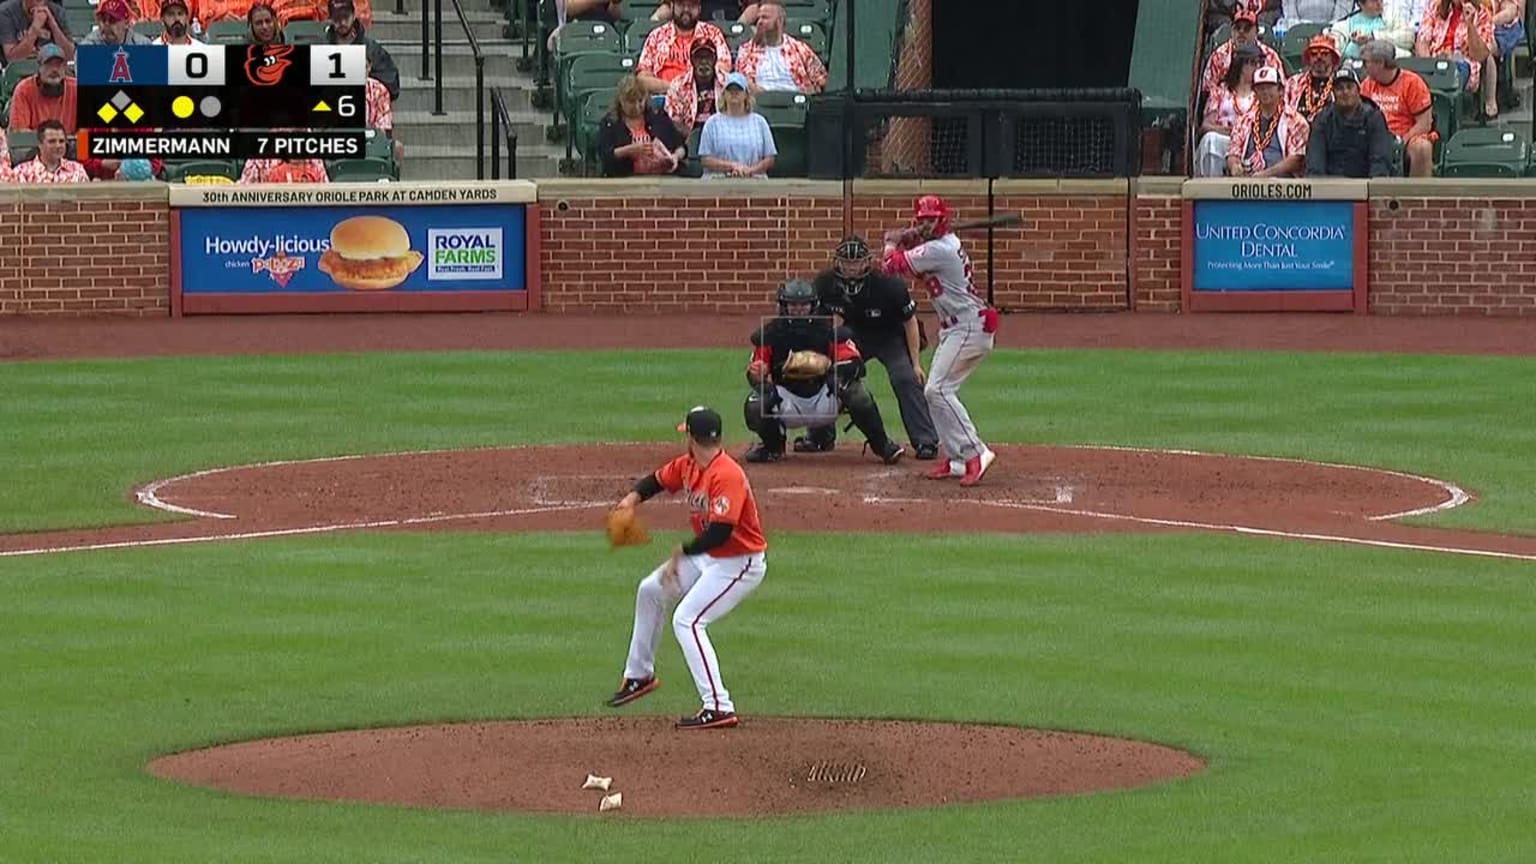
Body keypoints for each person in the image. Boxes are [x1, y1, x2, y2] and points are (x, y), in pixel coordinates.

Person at [605, 405, 767, 731]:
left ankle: (719, 706)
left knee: (688, 621)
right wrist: (631, 500)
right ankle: (639, 675)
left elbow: (721, 531)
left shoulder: (727, 474)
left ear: (692, 437)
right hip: (710, 556)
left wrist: (683, 553)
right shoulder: (690, 465)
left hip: (739, 562)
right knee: (650, 589)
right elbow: (657, 480)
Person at [878, 195, 999, 487]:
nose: (925, 225)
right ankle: (957, 459)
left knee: (939, 390)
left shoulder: (941, 249)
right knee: (936, 392)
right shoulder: (940, 245)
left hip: (969, 327)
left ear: (942, 219)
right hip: (957, 328)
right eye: (921, 220)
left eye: (930, 220)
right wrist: (910, 240)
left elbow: (889, 267)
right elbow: (917, 257)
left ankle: (975, 453)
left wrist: (893, 242)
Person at [741, 279, 906, 465]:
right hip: (788, 401)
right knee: (756, 403)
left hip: (823, 399)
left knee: (856, 391)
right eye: (793, 305)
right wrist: (757, 374)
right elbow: (755, 377)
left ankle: (882, 445)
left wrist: (831, 367)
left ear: (814, 306)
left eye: (804, 305)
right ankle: (772, 447)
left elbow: (857, 366)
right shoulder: (768, 336)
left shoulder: (829, 332)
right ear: (783, 306)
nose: (798, 309)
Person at [810, 236, 940, 460]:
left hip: (890, 336)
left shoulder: (888, 284)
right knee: (828, 372)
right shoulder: (825, 283)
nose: (851, 268)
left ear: (866, 262)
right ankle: (820, 436)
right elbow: (818, 322)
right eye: (846, 262)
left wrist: (916, 363)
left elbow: (910, 321)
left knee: (905, 378)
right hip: (854, 334)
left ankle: (925, 440)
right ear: (837, 262)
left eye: (856, 262)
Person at [1359, 38, 1436, 175]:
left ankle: (1417, 195)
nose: (1363, 67)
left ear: (1380, 63)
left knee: (1422, 148)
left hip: (1405, 137)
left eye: (1366, 62)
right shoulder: (1366, 85)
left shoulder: (1412, 83)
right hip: (1375, 138)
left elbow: (1424, 124)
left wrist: (1402, 141)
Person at [1305, 67, 1396, 176]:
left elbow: (1380, 162)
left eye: (1349, 87)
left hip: (1365, 185)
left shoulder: (1374, 118)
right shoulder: (1322, 120)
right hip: (1331, 185)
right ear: (1333, 93)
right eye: (1339, 88)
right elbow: (1315, 162)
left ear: (1358, 90)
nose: (1345, 92)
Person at [1414, 0, 1496, 119]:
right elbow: (1422, 41)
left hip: (1463, 64)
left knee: (1455, 72)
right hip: (1434, 62)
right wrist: (1430, 65)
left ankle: (1446, 116)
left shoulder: (1482, 14)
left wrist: (1470, 25)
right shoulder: (1434, 6)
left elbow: (1480, 55)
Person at [1226, 65, 1310, 177]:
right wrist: (1234, 166)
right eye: (1260, 88)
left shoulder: (1295, 121)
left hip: (1283, 183)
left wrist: (1266, 175)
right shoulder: (1244, 120)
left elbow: (1296, 159)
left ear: (1280, 90)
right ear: (1254, 92)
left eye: (1269, 87)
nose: (1265, 91)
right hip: (1247, 182)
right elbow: (1233, 152)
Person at [597, 74, 688, 177]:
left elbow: (681, 146)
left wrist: (675, 157)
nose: (636, 106)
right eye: (631, 102)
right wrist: (629, 150)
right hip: (626, 179)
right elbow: (605, 157)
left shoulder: (658, 117)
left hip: (663, 177)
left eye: (640, 100)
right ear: (621, 101)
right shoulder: (610, 123)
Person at [635, 0, 731, 95]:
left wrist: (691, 89)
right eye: (681, 5)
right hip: (664, 97)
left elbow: (724, 69)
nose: (686, 9)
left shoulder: (713, 33)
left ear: (699, 8)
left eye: (691, 5)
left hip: (702, 97)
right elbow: (642, 79)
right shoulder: (656, 36)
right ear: (672, 6)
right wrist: (672, 88)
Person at [1195, 43, 1262, 177]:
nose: (1258, 67)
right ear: (1241, 66)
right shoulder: (1221, 91)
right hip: (1225, 138)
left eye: (1260, 63)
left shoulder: (1263, 92)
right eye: (1254, 63)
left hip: (1252, 143)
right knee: (1210, 140)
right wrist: (1226, 131)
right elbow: (1205, 126)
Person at [698, 72, 776, 178]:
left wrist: (750, 170)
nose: (734, 92)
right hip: (717, 180)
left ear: (746, 94)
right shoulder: (712, 123)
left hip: (754, 179)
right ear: (724, 94)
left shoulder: (760, 122)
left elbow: (770, 158)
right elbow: (705, 159)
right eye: (730, 89)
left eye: (738, 89)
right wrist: (732, 166)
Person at [327, 0, 399, 100]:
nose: (342, 22)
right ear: (330, 19)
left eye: (346, 17)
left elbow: (392, 86)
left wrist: (367, 78)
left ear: (353, 16)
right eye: (337, 18)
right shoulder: (320, 47)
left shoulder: (372, 49)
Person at [7, 42, 76, 134]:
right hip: (34, 146)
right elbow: (20, 133)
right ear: (39, 68)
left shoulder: (78, 88)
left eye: (58, 65)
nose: (54, 70)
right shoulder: (23, 90)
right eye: (49, 65)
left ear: (65, 68)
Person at [663, 37, 724, 138]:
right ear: (692, 60)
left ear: (715, 59)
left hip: (722, 137)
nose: (704, 62)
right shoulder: (678, 85)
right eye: (699, 57)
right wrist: (692, 138)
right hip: (688, 138)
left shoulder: (727, 83)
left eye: (708, 57)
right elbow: (673, 120)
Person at [1285, 34, 1342, 122]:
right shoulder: (1294, 82)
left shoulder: (1341, 83)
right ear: (1308, 58)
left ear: (1333, 58)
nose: (1319, 57)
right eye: (1314, 54)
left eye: (1324, 54)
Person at [10, 118, 88, 182]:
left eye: (61, 141)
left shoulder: (77, 170)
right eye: (52, 141)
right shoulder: (21, 172)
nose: (58, 146)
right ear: (40, 144)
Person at [1331, 0, 1416, 59]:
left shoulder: (1393, 17)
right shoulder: (1346, 24)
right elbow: (1335, 47)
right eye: (1374, 1)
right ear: (1361, 3)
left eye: (1381, 0)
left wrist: (1375, 37)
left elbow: (1408, 39)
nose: (1379, 4)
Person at [0, 0, 74, 63]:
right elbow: (12, 58)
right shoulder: (6, 11)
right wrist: (35, 28)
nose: (38, 4)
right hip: (17, 72)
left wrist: (53, 25)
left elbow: (70, 56)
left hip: (50, 68)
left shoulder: (57, 12)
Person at [78, 0, 150, 45]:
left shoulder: (143, 45)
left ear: (127, 23)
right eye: (103, 20)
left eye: (112, 20)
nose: (106, 24)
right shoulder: (88, 46)